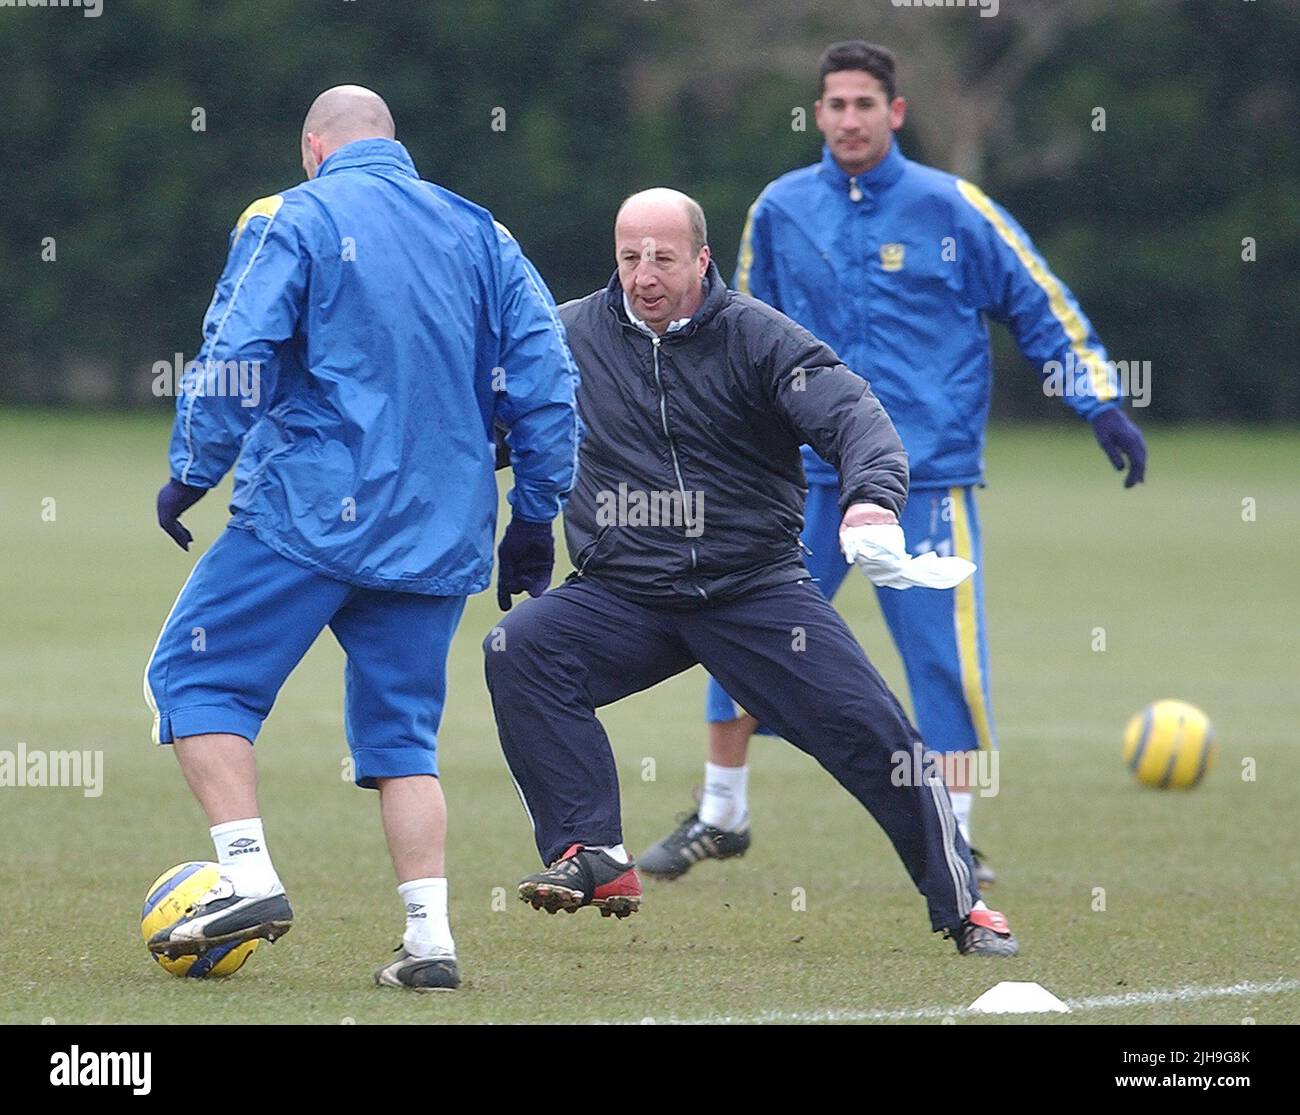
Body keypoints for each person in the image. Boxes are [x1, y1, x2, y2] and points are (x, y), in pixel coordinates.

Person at [640, 41, 1148, 883]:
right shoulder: (780, 209)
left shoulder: (953, 208)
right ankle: (722, 812)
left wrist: (1097, 400)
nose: (847, 119)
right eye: (834, 105)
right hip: (797, 479)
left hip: (925, 479)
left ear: (895, 112)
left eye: (863, 104)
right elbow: (733, 331)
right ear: (819, 114)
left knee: (948, 666)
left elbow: (1038, 301)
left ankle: (954, 837)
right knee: (736, 631)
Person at [482, 188, 1019, 956]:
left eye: (663, 257)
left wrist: (870, 500)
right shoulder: (565, 337)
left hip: (752, 590)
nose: (644, 275)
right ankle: (592, 851)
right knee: (520, 648)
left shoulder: (760, 339)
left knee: (880, 739)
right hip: (624, 591)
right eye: (630, 257)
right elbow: (497, 427)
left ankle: (963, 907)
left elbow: (855, 417)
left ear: (702, 259)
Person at [143, 85, 579, 991]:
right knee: (403, 743)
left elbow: (237, 352)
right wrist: (535, 517)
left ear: (314, 147)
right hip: (439, 529)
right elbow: (547, 381)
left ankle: (249, 878)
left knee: (193, 676)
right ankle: (430, 943)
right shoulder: (483, 233)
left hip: (308, 513)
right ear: (396, 144)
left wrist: (192, 467)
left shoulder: (291, 215)